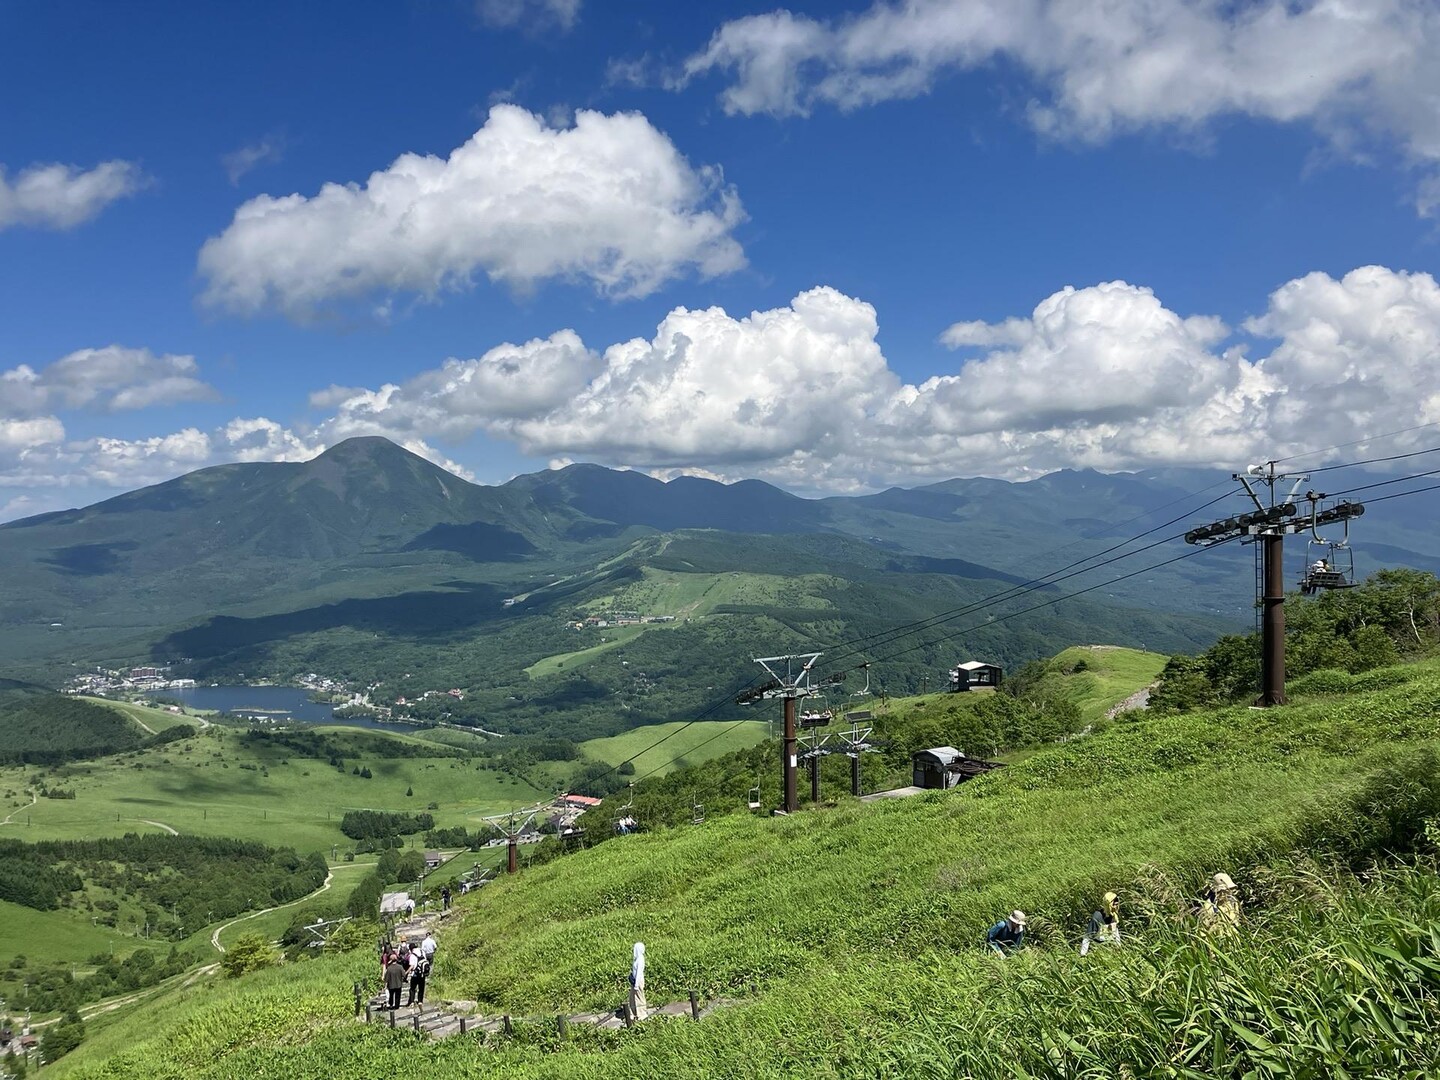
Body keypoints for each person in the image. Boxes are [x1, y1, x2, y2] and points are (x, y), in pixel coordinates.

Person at [628, 941, 648, 1021]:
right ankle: (633, 1013)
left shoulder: (640, 959)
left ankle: (642, 1014)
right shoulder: (636, 959)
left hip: (638, 981)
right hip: (635, 981)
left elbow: (639, 972)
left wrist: (636, 984)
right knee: (632, 997)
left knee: (639, 997)